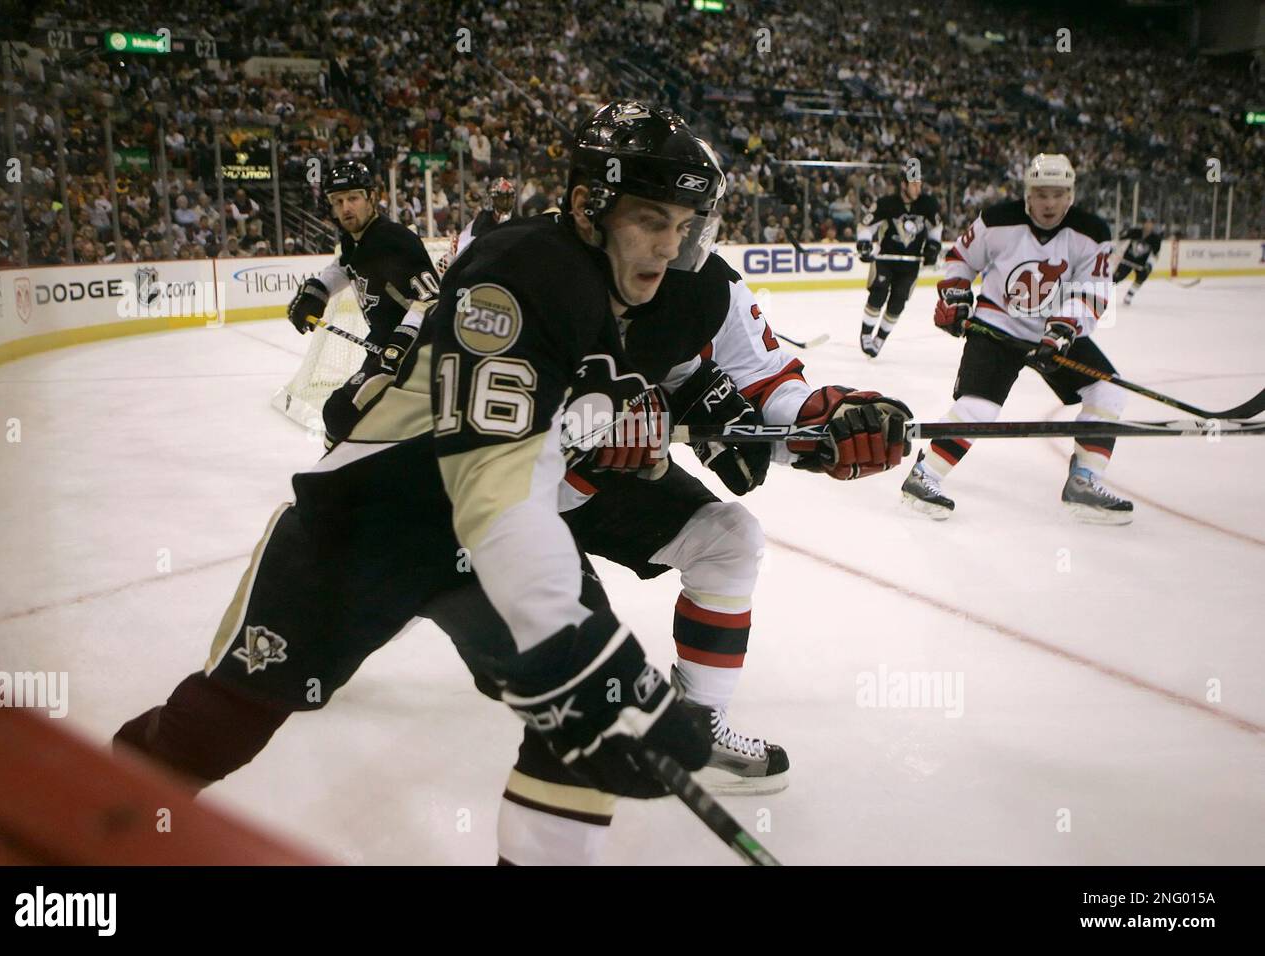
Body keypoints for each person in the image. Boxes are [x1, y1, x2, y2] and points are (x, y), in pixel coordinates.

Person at [113, 103, 909, 865]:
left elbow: (767, 380)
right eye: (647, 220)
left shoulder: (699, 286)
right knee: (220, 726)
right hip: (383, 515)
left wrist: (834, 420)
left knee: (580, 735)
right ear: (587, 207)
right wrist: (573, 638)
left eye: (683, 225)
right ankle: (83, 825)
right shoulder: (517, 273)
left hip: (524, 520)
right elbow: (489, 479)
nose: (668, 247)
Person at [900, 153, 1134, 524]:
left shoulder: (1092, 232)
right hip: (997, 327)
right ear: (1028, 193)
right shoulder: (997, 220)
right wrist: (956, 294)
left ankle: (1085, 480)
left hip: (1053, 333)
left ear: (1070, 194)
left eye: (1058, 194)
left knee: (1108, 391)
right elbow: (961, 257)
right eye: (1041, 193)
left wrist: (1062, 329)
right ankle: (924, 475)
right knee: (979, 407)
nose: (1049, 203)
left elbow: (1093, 290)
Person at [284, 161, 438, 445]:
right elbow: (345, 265)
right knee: (345, 415)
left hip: (417, 350)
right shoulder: (357, 240)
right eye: (338, 201)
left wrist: (400, 343)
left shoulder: (393, 239)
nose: (345, 208)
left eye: (353, 198)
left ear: (371, 197)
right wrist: (317, 291)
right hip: (385, 346)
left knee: (339, 412)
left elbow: (431, 299)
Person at [855, 165, 943, 357]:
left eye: (919, 184)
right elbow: (866, 226)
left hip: (910, 264)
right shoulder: (886, 203)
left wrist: (933, 246)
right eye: (914, 184)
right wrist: (863, 243)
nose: (918, 189)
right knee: (878, 294)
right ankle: (866, 335)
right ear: (903, 184)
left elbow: (936, 228)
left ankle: (879, 340)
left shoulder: (928, 204)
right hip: (885, 260)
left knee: (898, 302)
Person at [437, 177, 516, 274]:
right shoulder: (482, 220)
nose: (506, 203)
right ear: (493, 200)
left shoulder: (516, 219)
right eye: (502, 199)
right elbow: (461, 248)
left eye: (509, 198)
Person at [1115, 218, 1163, 305]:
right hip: (1127, 260)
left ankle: (1129, 296)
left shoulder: (1156, 238)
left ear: (1153, 225)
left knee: (1141, 278)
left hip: (1141, 264)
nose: (1148, 225)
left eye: (1150, 223)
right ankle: (1103, 291)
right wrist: (1123, 233)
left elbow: (1155, 254)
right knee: (1117, 277)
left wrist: (1150, 264)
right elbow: (1121, 239)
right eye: (1146, 223)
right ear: (1143, 224)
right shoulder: (1135, 232)